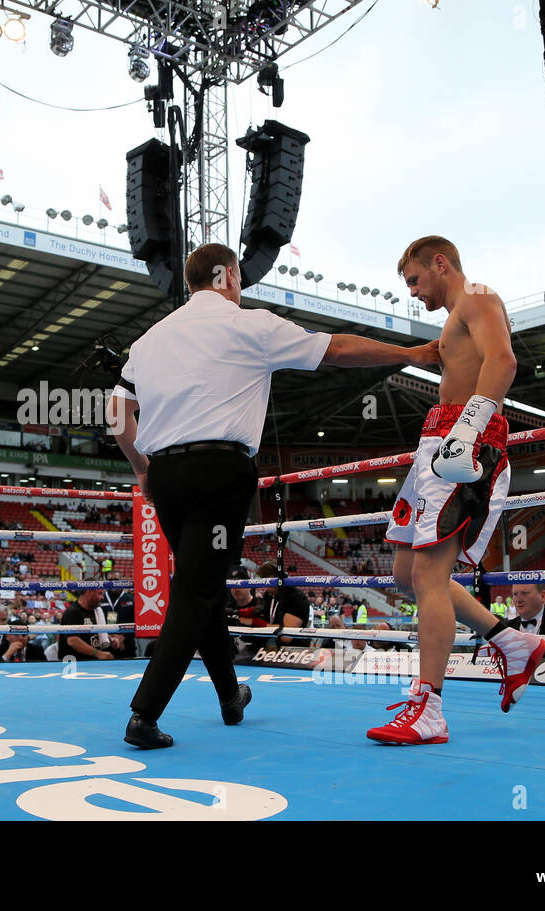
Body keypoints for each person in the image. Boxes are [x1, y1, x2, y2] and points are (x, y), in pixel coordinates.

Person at [108, 242, 441, 749]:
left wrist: (143, 469)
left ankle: (228, 696)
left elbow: (117, 416)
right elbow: (337, 349)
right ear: (230, 277)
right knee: (197, 591)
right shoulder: (249, 324)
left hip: (168, 476)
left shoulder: (149, 339)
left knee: (205, 585)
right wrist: (409, 354)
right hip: (218, 472)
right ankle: (143, 714)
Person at [370, 236, 545, 746]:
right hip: (437, 441)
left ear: (440, 263)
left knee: (428, 573)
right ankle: (510, 640)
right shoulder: (454, 317)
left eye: (415, 280)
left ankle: (430, 707)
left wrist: (467, 430)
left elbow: (503, 362)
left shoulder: (478, 297)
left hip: (465, 442)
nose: (412, 292)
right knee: (407, 572)